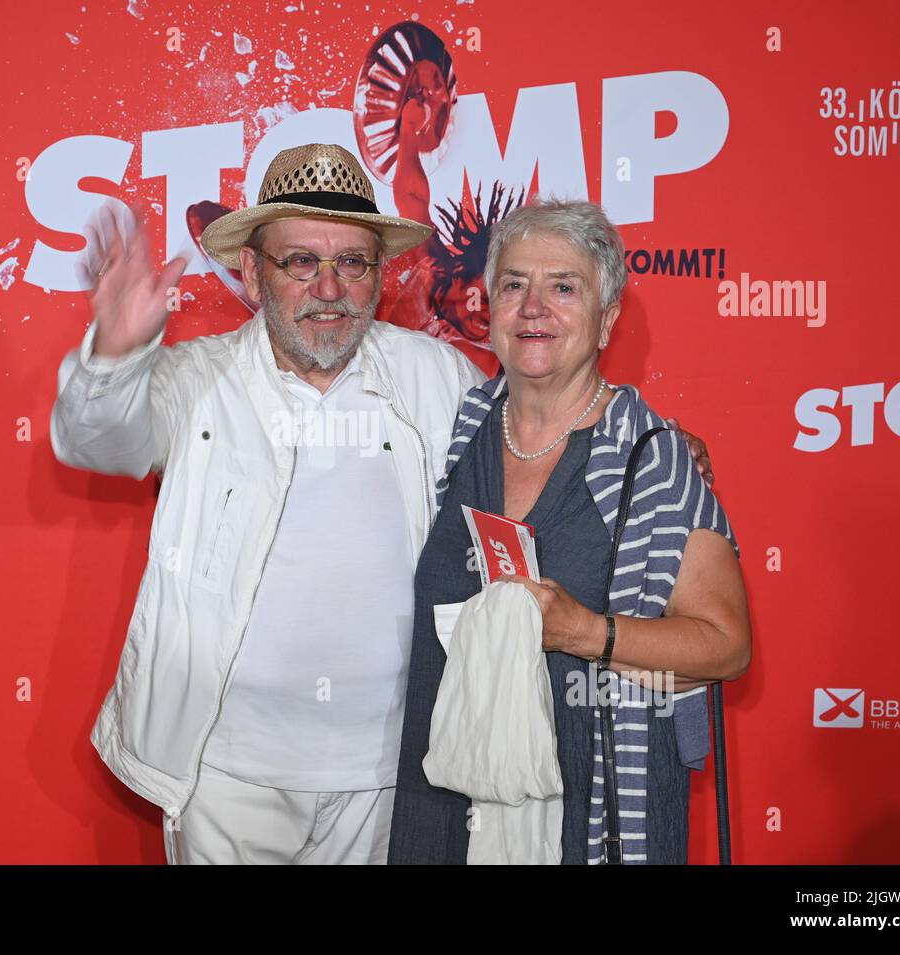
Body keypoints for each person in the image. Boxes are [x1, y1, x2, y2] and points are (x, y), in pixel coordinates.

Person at [51, 143, 715, 865]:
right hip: (226, 773)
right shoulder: (195, 381)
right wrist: (112, 359)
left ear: (380, 273)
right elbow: (99, 439)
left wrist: (640, 443)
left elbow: (537, 433)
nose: (329, 286)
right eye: (300, 261)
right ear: (251, 271)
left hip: (393, 769)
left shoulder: (434, 375)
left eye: (353, 262)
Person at [388, 197, 751, 865]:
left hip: (597, 817)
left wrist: (585, 631)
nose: (534, 307)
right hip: (445, 800)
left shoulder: (651, 457)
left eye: (563, 287)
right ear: (489, 306)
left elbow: (726, 645)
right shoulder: (460, 426)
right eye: (514, 284)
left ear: (607, 319)